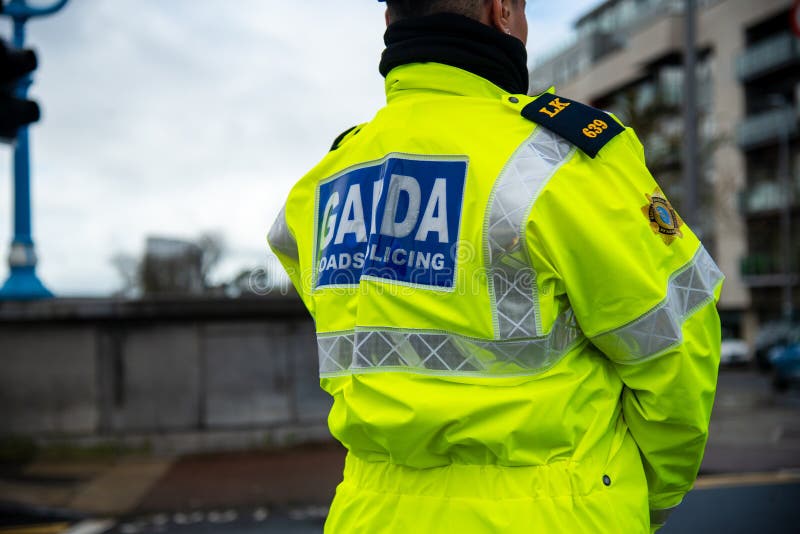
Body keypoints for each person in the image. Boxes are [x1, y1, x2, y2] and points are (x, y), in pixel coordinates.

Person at [268, 0, 724, 532]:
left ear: (391, 21)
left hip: (368, 515)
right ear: (502, 11)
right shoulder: (559, 161)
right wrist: (647, 495)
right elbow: (677, 348)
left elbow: (303, 265)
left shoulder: (326, 180)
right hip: (553, 515)